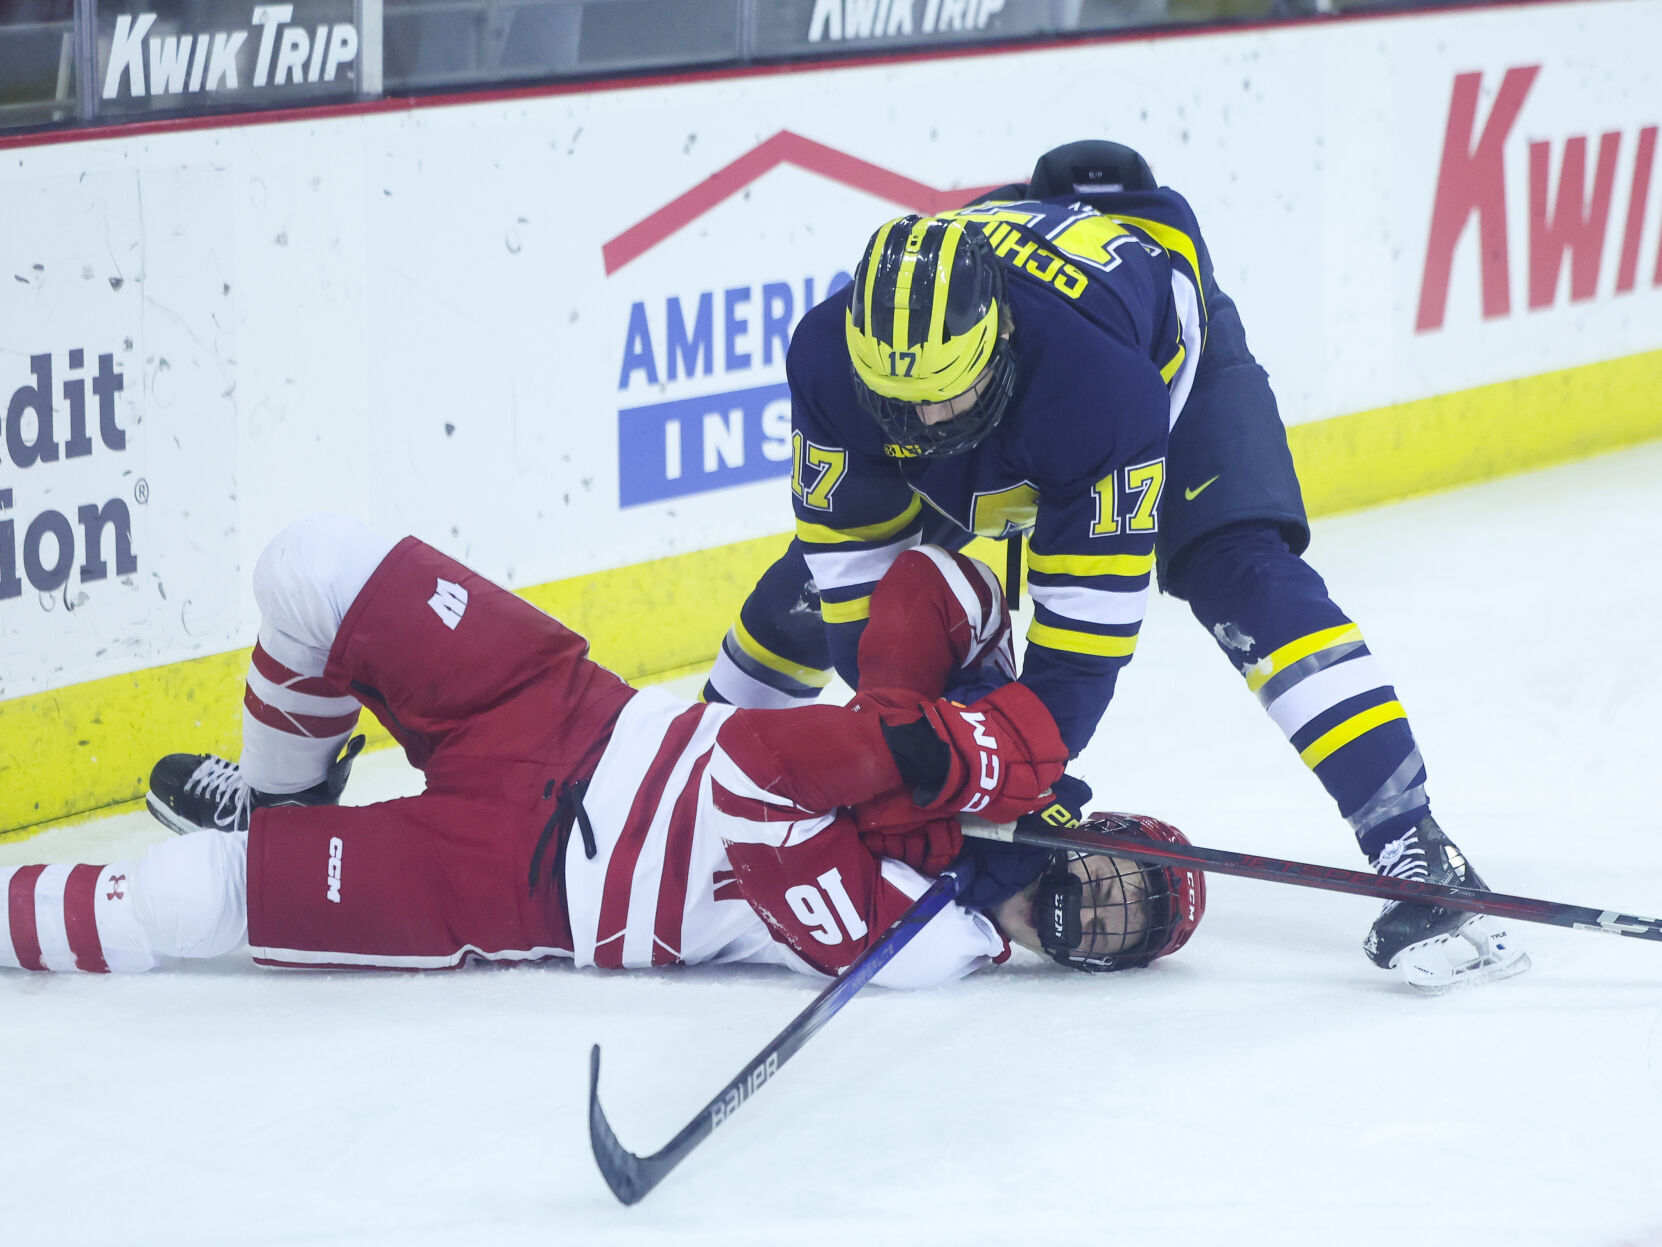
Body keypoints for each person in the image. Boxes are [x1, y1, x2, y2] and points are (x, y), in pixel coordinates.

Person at [701, 139, 1528, 991]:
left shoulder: (1098, 389)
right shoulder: (828, 358)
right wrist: (936, 769)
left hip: (1164, 359)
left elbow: (1078, 654)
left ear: (999, 332)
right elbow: (859, 617)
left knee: (1236, 567)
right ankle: (696, 763)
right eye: (899, 397)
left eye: (947, 390)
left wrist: (1009, 777)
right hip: (1016, 362)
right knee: (823, 579)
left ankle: (1413, 840)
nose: (928, 416)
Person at [0, 514, 1203, 982]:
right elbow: (927, 581)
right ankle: (278, 800)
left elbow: (758, 798)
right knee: (309, 569)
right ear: (1105, 831)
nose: (1092, 912)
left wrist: (927, 756)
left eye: (1114, 934)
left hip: (519, 878)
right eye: (1121, 884)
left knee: (173, 896)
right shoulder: (999, 752)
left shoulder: (940, 944)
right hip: (574, 709)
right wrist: (956, 723)